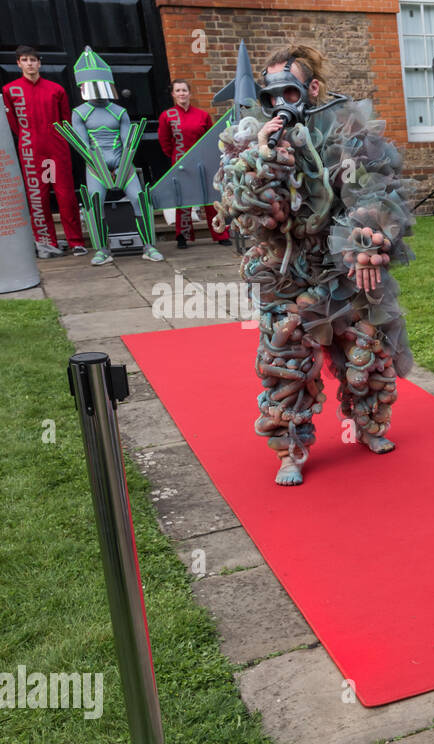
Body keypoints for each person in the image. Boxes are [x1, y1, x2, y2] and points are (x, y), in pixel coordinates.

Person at [213, 44, 414, 485]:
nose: (277, 102)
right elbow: (243, 206)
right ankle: (291, 449)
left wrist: (366, 236)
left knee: (366, 354)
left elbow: (374, 187)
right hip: (283, 272)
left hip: (338, 268)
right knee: (285, 361)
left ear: (313, 87)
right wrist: (265, 155)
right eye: (270, 94)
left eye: (287, 91)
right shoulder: (255, 137)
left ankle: (369, 425)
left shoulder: (347, 130)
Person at [56, 47, 165, 265]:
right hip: (96, 167)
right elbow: (83, 145)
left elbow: (127, 143)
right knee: (94, 203)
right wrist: (100, 168)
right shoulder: (80, 113)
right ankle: (103, 249)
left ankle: (148, 246)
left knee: (139, 198)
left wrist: (121, 167)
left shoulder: (119, 112)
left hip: (122, 165)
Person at [2, 45, 87, 257]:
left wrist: (58, 140)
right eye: (25, 60)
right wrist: (27, 139)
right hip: (31, 151)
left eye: (33, 60)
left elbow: (65, 119)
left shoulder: (56, 89)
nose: (30, 64)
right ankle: (45, 243)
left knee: (65, 195)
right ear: (18, 63)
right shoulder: (10, 90)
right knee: (37, 197)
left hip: (56, 150)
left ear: (39, 63)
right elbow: (13, 123)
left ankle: (75, 241)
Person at [158, 79, 231, 249]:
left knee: (211, 198)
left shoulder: (202, 115)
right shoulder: (167, 116)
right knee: (183, 200)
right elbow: (165, 141)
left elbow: (211, 139)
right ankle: (182, 236)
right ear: (173, 94)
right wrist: (177, 157)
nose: (181, 93)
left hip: (203, 161)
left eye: (184, 90)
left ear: (190, 93)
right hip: (181, 162)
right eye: (178, 91)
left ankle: (220, 233)